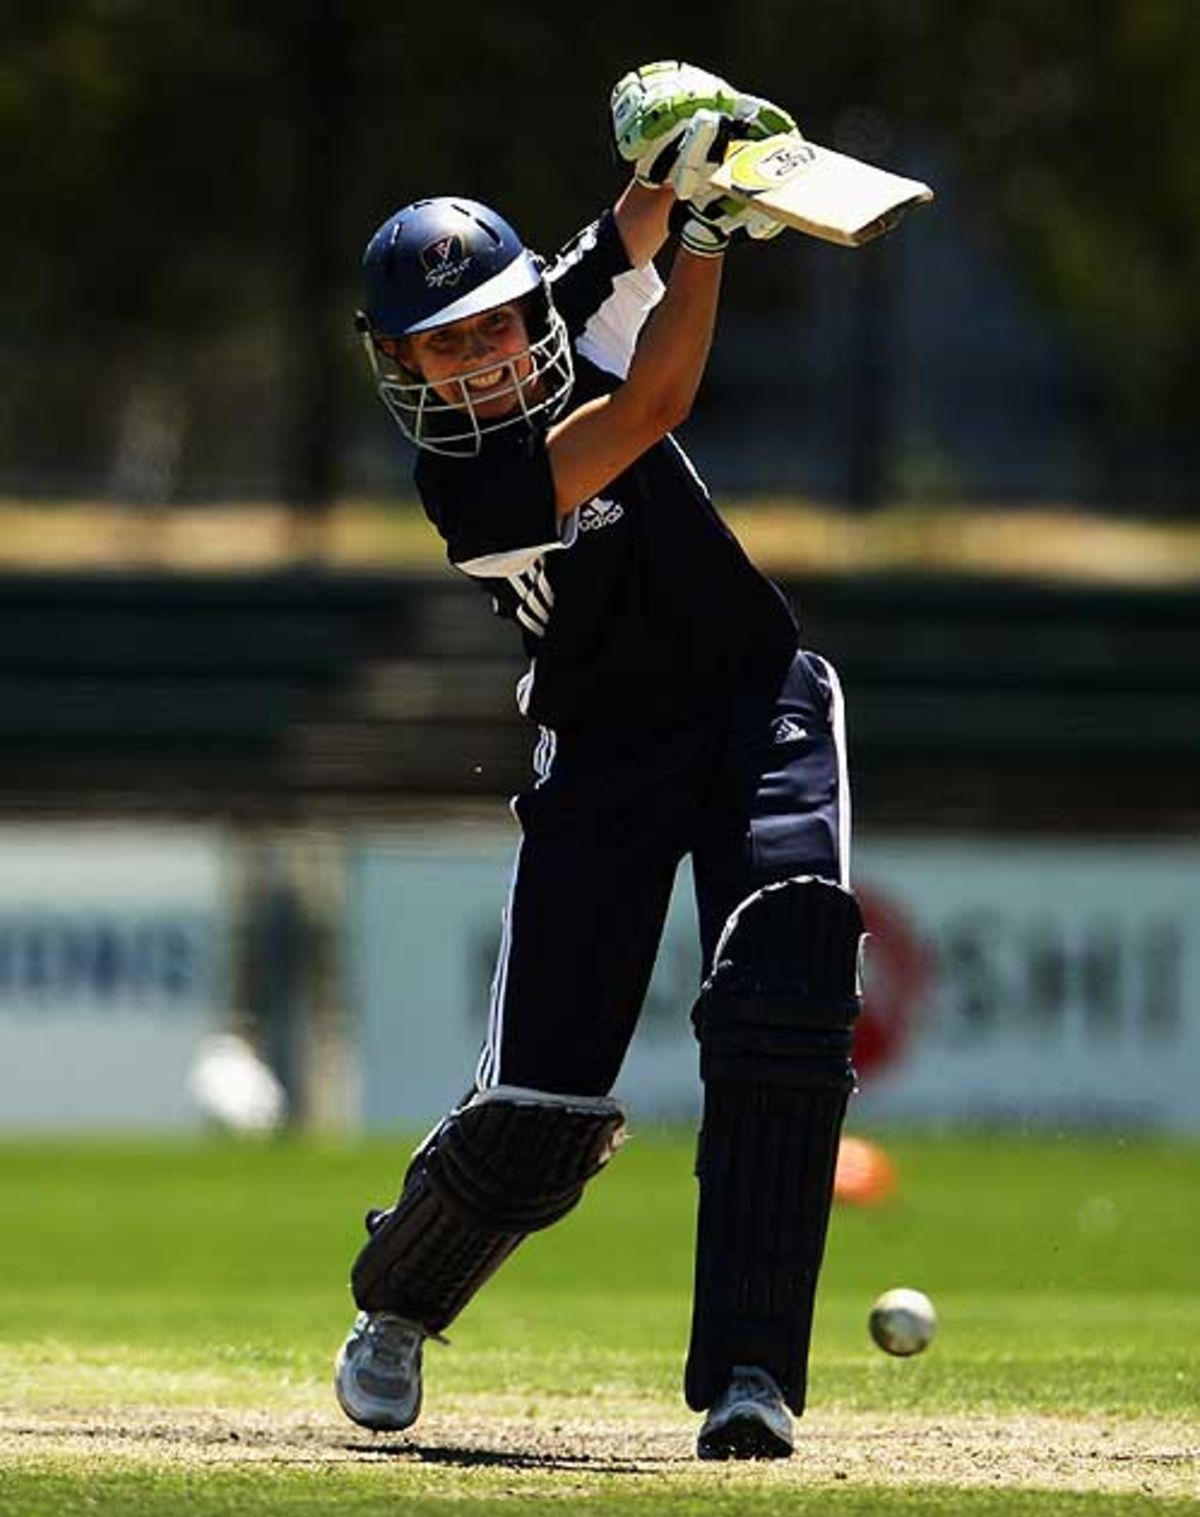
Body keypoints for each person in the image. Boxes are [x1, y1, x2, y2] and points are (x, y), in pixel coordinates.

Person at [334, 60, 865, 1462]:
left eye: (490, 326)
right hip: (607, 750)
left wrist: (685, 158)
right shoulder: (470, 490)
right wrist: (711, 239)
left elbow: (623, 234)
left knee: (788, 983)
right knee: (539, 1108)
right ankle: (400, 1304)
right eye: (438, 348)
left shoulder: (558, 309)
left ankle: (752, 1370)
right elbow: (653, 407)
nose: (476, 359)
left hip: (757, 701)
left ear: (524, 307)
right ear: (400, 366)